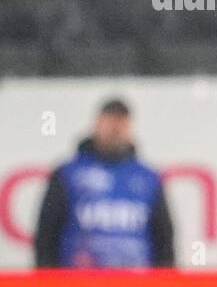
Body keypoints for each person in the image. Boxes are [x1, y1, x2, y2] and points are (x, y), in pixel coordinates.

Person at [33, 98, 175, 269]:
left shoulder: (148, 178)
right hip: (78, 284)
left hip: (135, 285)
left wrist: (164, 286)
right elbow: (47, 234)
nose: (115, 129)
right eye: (110, 121)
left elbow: (164, 238)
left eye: (121, 123)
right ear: (97, 123)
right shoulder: (68, 174)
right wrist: (48, 283)